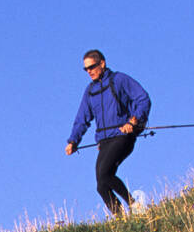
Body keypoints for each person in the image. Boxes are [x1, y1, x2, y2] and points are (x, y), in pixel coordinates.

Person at [65, 51, 151, 215]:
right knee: (101, 185)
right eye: (86, 69)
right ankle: (120, 218)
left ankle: (134, 205)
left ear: (102, 64)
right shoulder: (90, 91)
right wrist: (73, 141)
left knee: (104, 173)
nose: (89, 71)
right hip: (104, 141)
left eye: (92, 67)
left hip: (122, 136)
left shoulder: (119, 80)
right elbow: (82, 117)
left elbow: (143, 99)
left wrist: (133, 121)